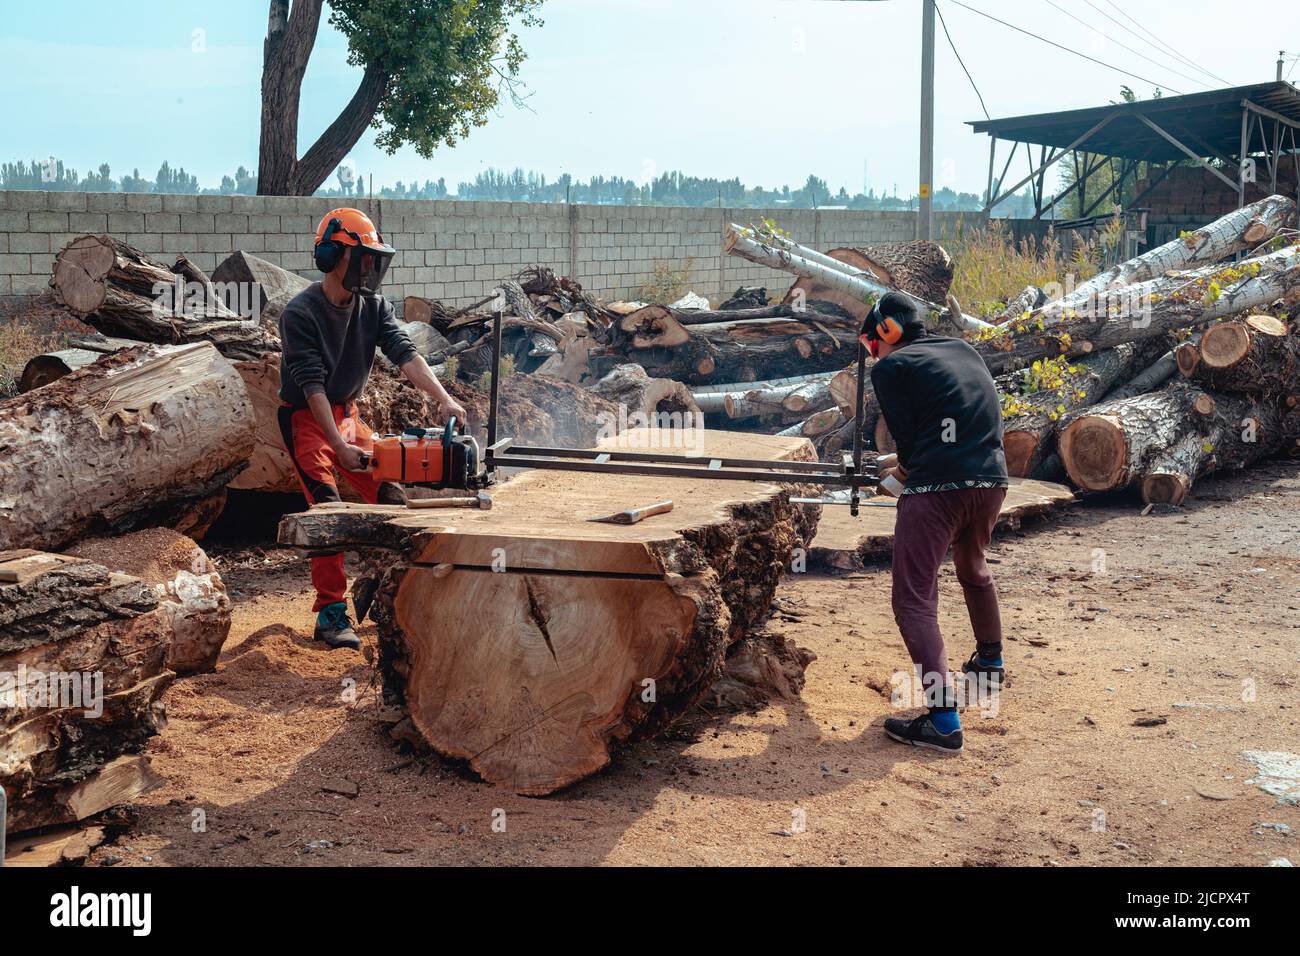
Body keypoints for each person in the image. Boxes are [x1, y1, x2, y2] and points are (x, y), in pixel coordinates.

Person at [278, 207, 466, 650]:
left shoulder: (373, 306)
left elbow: (405, 353)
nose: (370, 269)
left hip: (348, 414)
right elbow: (311, 386)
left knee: (391, 497)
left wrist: (445, 399)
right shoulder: (300, 313)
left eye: (374, 260)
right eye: (363, 259)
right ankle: (330, 613)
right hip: (307, 417)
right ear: (334, 256)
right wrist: (335, 445)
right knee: (329, 513)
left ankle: (394, 591)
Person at [864, 291, 1009, 753]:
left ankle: (943, 721)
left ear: (887, 332)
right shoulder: (963, 349)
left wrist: (889, 485)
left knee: (913, 599)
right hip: (990, 480)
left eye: (873, 345)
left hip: (936, 490)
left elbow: (909, 450)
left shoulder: (891, 368)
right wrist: (899, 471)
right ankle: (989, 666)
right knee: (973, 566)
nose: (875, 355)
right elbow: (965, 422)